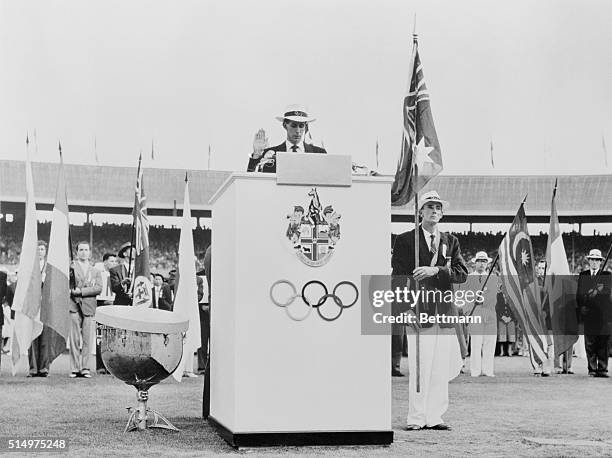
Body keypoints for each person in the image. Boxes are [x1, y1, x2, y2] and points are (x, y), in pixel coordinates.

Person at [391, 191, 468, 431]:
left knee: (439, 364)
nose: (434, 210)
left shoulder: (451, 241)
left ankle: (435, 416)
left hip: (443, 309)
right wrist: (403, 309)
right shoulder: (405, 240)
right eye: (429, 206)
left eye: (438, 207)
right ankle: (416, 417)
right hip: (418, 309)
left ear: (442, 213)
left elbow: (462, 274)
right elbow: (398, 278)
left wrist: (437, 271)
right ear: (420, 212)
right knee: (420, 364)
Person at [246, 105, 327, 173]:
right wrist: (256, 154)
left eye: (301, 126)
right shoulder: (270, 154)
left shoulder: (319, 153)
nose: (298, 131)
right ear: (285, 125)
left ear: (305, 127)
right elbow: (251, 181)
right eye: (294, 125)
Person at [69, 241, 102, 378]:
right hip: (73, 306)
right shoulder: (70, 268)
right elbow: (66, 285)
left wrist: (81, 291)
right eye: (81, 249)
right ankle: (75, 368)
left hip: (89, 306)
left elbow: (98, 288)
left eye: (86, 249)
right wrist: (72, 291)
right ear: (76, 252)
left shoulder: (95, 271)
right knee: (74, 339)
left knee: (88, 339)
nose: (83, 252)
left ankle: (85, 368)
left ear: (90, 252)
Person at [576, 249, 611, 377]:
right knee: (590, 343)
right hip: (589, 313)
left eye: (597, 260)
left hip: (603, 315)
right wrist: (582, 307)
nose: (595, 262)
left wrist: (598, 290)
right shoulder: (583, 275)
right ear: (589, 260)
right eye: (593, 259)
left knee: (603, 343)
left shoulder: (607, 275)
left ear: (601, 262)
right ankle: (592, 368)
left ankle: (602, 369)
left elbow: (608, 293)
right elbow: (579, 294)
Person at [463, 251, 499, 377]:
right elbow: (464, 296)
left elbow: (494, 296)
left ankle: (488, 370)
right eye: (480, 261)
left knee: (489, 342)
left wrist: (483, 300)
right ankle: (475, 370)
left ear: (487, 263)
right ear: (475, 263)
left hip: (489, 312)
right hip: (475, 312)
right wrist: (469, 312)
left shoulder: (493, 278)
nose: (482, 264)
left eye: (484, 261)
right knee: (476, 343)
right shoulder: (468, 277)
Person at [28, 240, 50, 377]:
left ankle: (43, 368)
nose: (39, 251)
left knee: (45, 338)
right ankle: (32, 368)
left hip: (46, 305)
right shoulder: (29, 266)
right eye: (37, 249)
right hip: (32, 306)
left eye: (42, 249)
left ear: (45, 251)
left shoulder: (50, 267)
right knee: (32, 338)